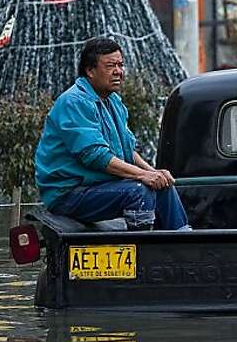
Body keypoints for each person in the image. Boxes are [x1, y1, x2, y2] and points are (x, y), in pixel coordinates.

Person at [34, 37, 190, 231]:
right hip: (68, 194)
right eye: (110, 66)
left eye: (120, 65)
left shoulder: (113, 101)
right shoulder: (74, 101)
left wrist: (153, 172)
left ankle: (185, 246)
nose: (118, 71)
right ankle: (142, 254)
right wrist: (143, 176)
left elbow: (127, 149)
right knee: (140, 191)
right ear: (90, 71)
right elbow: (96, 156)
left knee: (162, 186)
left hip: (98, 188)